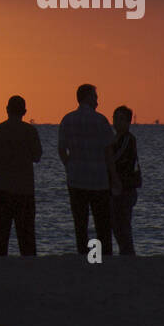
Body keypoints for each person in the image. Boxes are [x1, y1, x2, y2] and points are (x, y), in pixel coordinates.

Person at [58, 83, 121, 256]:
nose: (97, 102)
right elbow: (108, 152)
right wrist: (114, 177)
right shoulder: (100, 120)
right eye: (95, 97)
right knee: (102, 224)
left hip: (76, 180)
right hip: (98, 180)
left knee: (80, 223)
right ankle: (100, 257)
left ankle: (83, 256)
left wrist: (69, 166)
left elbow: (61, 149)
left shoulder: (67, 120)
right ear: (87, 97)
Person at [0, 95, 42, 256]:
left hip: (1, 189)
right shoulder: (30, 131)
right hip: (24, 190)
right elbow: (37, 156)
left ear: (7, 110)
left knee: (0, 238)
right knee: (27, 239)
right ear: (24, 111)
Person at [110, 105, 141, 255]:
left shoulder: (128, 139)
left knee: (123, 224)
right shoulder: (114, 138)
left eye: (121, 119)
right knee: (116, 224)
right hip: (115, 187)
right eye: (115, 118)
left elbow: (116, 157)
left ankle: (128, 253)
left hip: (126, 188)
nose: (117, 122)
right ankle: (125, 252)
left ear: (128, 122)